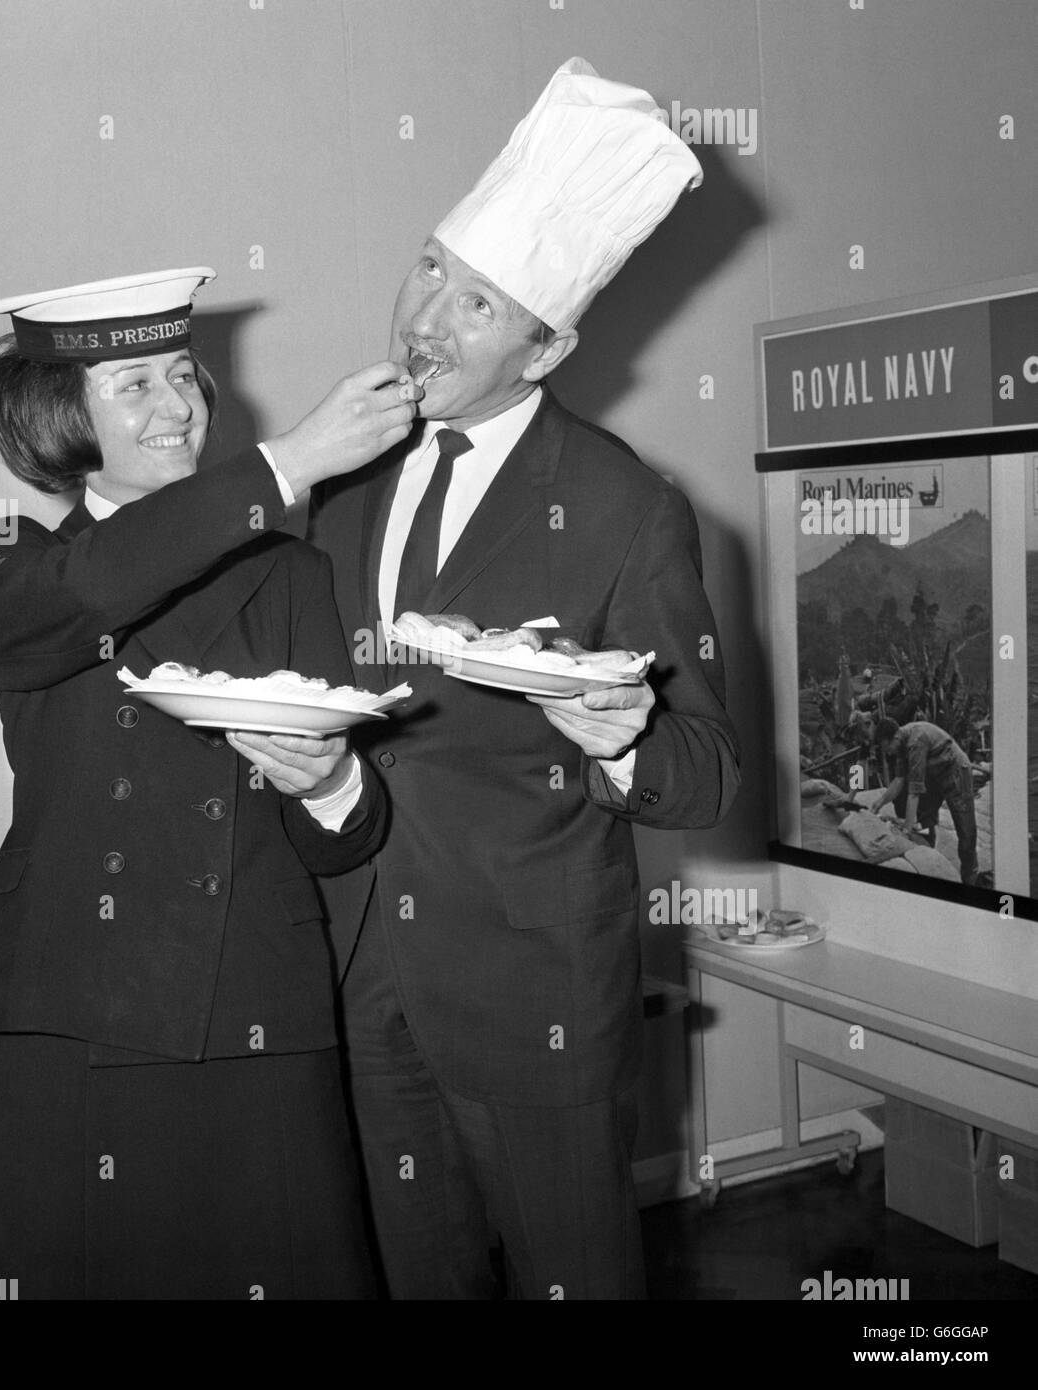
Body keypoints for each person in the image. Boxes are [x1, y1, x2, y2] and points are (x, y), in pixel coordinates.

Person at [308, 60, 741, 1298]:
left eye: (481, 304)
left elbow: (705, 773)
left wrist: (614, 735)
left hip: (534, 995)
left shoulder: (622, 503)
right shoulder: (342, 475)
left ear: (547, 345)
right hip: (362, 980)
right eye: (432, 267)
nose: (427, 318)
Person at [0, 266, 422, 1298]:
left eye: (184, 374)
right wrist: (288, 462)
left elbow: (348, 838)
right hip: (77, 1004)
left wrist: (330, 781)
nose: (177, 406)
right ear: (60, 415)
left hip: (256, 1001)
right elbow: (94, 590)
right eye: (134, 385)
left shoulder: (290, 575)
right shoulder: (9, 561)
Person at [870, 717, 978, 884]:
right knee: (925, 819)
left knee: (965, 830)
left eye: (887, 747)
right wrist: (879, 802)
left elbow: (914, 793)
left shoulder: (916, 741)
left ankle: (970, 879)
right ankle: (930, 861)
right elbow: (899, 780)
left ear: (895, 738)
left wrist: (906, 830)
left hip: (957, 771)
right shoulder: (900, 746)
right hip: (936, 772)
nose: (888, 752)